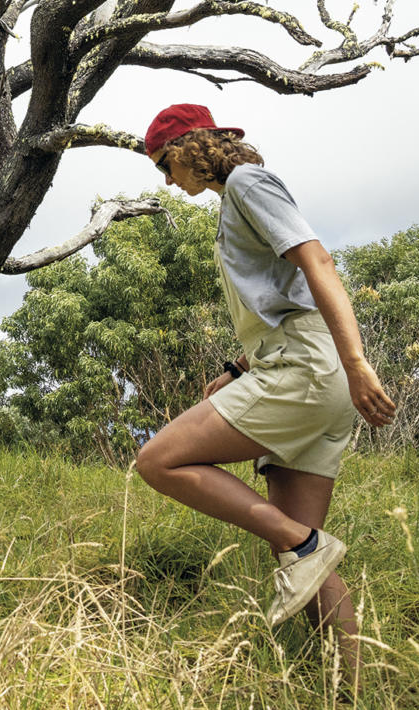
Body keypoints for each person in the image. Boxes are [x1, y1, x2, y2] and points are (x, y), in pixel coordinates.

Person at [132, 104, 396, 668]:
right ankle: (350, 692)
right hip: (300, 367)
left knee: (157, 461)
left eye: (164, 166)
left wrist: (356, 362)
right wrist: (235, 368)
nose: (168, 182)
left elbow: (317, 261)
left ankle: (304, 542)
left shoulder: (249, 182)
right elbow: (283, 299)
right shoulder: (237, 197)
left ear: (185, 150)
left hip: (306, 370)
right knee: (303, 564)